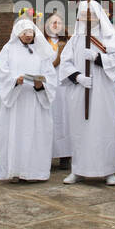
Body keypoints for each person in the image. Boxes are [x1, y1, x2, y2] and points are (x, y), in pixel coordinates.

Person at [59, 0, 115, 185]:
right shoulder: (76, 38)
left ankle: (108, 170)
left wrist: (98, 58)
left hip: (103, 93)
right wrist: (77, 77)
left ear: (98, 16)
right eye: (83, 15)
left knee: (104, 130)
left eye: (91, 15)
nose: (87, 19)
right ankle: (78, 170)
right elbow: (65, 62)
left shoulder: (110, 36)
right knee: (81, 131)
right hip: (81, 91)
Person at [0, 18, 58, 183]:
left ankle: (34, 172)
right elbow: (2, 73)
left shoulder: (41, 51)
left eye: (30, 33)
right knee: (16, 135)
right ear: (18, 34)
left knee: (34, 135)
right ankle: (15, 170)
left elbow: (50, 75)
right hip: (16, 101)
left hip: (35, 101)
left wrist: (40, 85)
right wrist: (15, 81)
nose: (28, 36)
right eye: (24, 33)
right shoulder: (8, 49)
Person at [44, 13, 73, 170]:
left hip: (63, 86)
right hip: (47, 86)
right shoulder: (40, 41)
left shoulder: (69, 41)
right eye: (53, 22)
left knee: (64, 119)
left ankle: (65, 155)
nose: (56, 25)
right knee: (48, 120)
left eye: (59, 22)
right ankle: (46, 154)